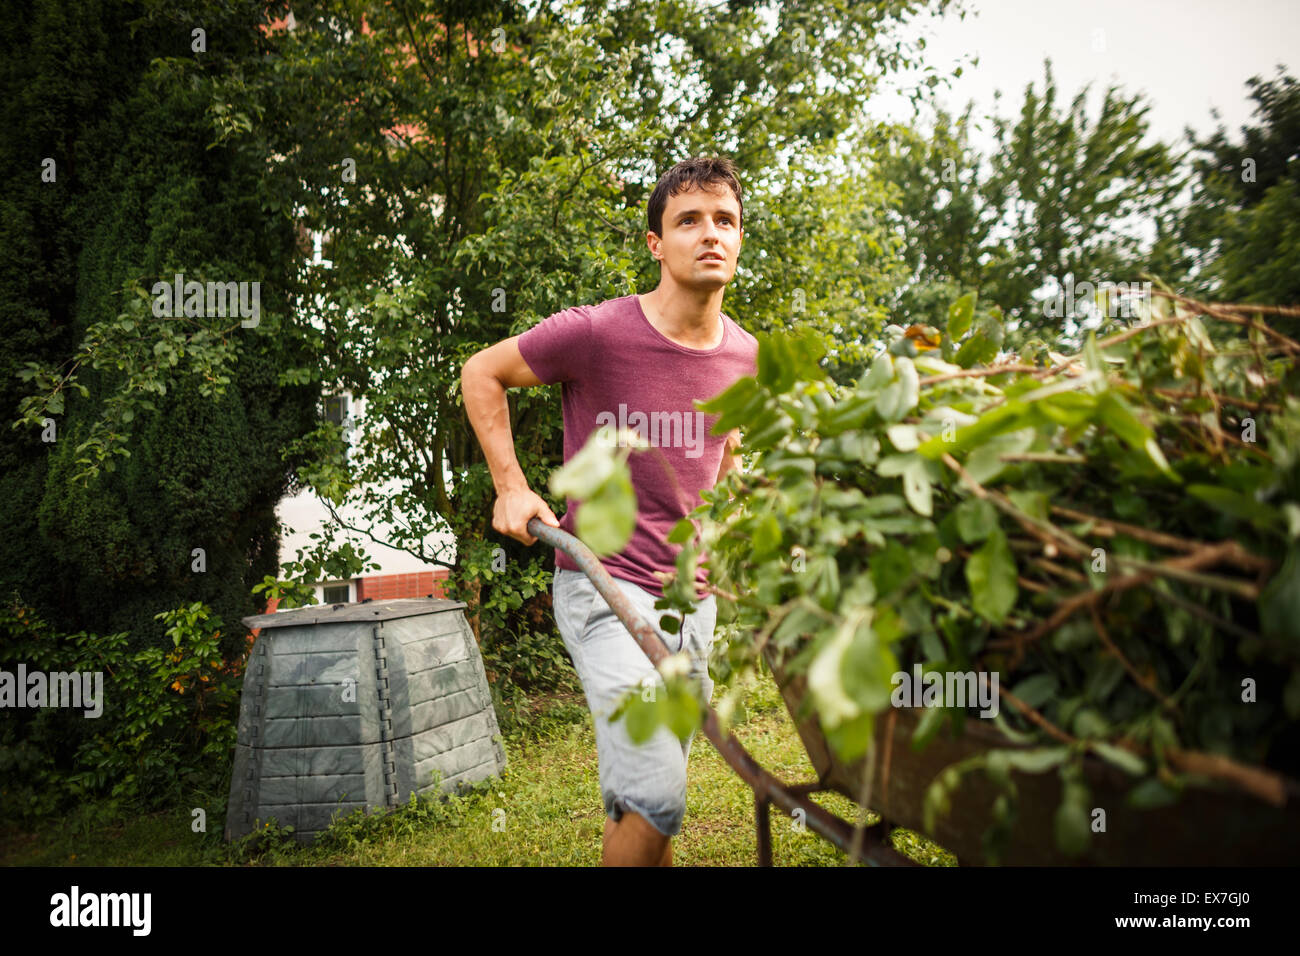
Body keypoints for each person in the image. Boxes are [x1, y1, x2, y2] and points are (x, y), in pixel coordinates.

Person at [461, 155, 759, 865]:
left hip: (696, 601)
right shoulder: (596, 333)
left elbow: (730, 458)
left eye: (726, 221)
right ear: (656, 243)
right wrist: (511, 484)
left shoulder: (747, 355)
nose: (710, 234)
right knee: (658, 788)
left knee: (648, 793)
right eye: (689, 220)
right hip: (606, 585)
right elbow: (483, 372)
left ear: (741, 239)